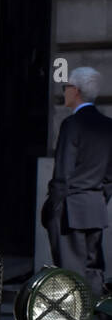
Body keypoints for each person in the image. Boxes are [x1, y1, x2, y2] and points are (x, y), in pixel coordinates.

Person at [42, 67, 112, 299]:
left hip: (70, 209)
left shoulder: (71, 125)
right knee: (93, 270)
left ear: (76, 90)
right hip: (95, 208)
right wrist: (100, 199)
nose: (63, 92)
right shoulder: (108, 125)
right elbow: (110, 176)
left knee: (70, 274)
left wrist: (53, 207)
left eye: (66, 87)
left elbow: (63, 173)